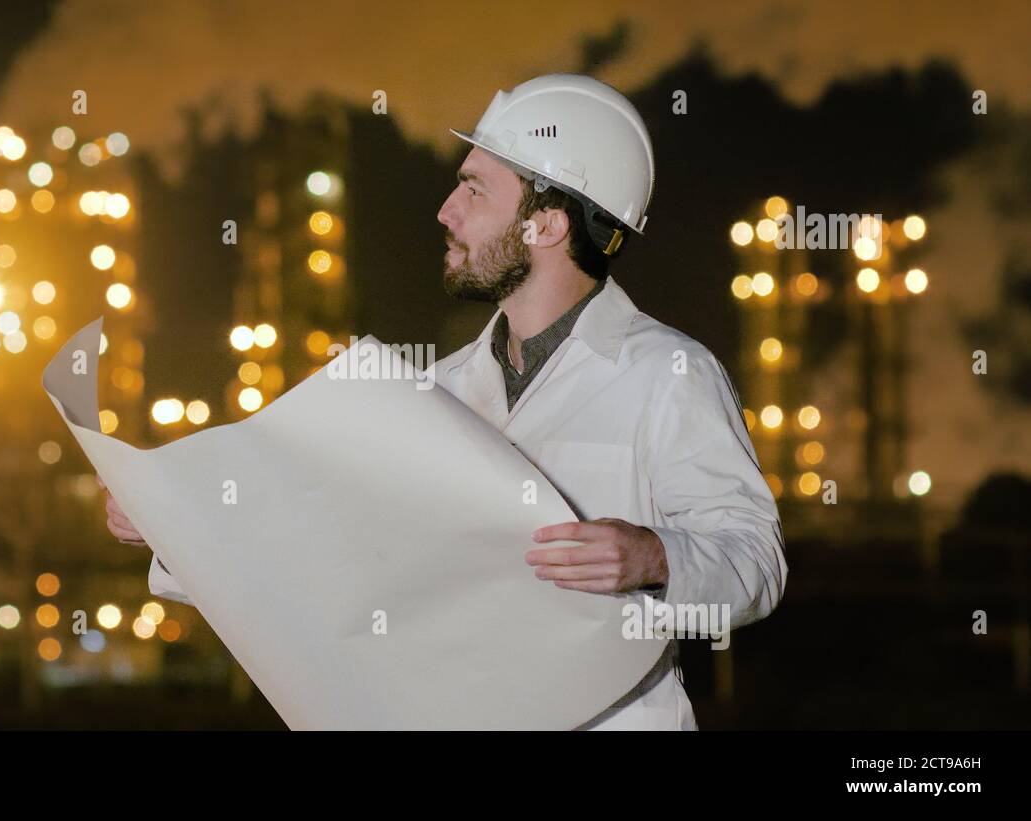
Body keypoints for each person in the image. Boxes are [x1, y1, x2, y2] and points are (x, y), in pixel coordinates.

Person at [104, 73, 788, 730]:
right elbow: (335, 555)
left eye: (474, 190)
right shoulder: (439, 391)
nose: (445, 211)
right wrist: (176, 521)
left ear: (545, 225)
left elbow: (756, 562)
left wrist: (655, 557)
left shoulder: (666, 373)